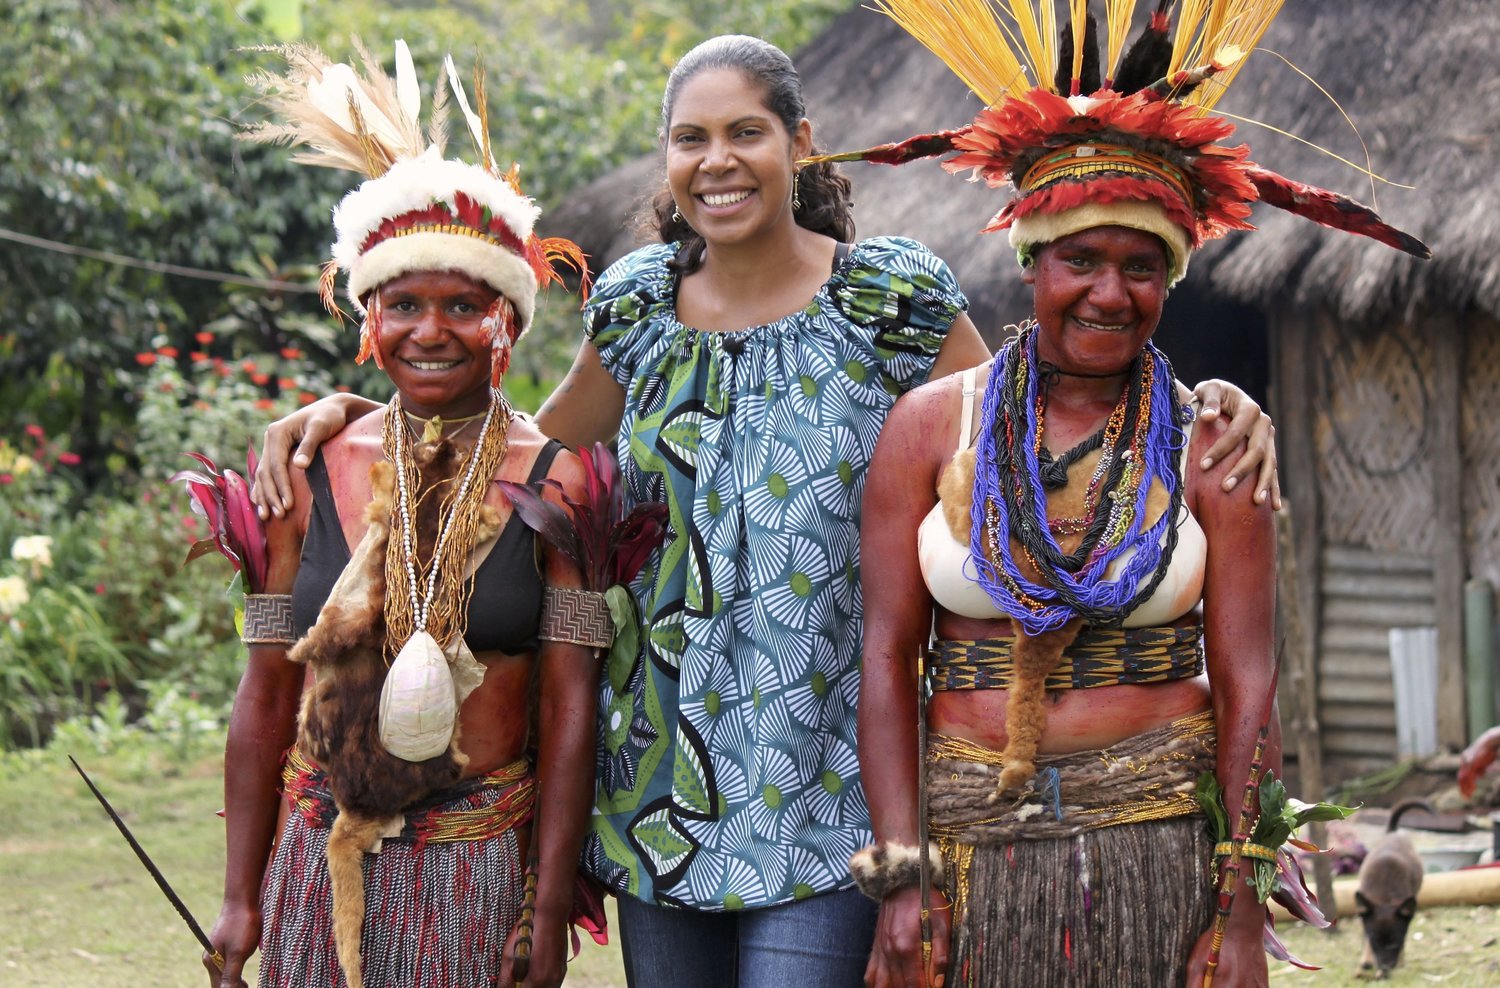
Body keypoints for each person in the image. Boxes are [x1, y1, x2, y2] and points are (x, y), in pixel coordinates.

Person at [248, 35, 1279, 988]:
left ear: (800, 143)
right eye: (690, 138)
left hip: (826, 793)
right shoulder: (640, 307)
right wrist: (357, 414)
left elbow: (1024, 419)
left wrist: (1204, 408)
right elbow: (522, 458)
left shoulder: (888, 303)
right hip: (655, 794)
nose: (718, 160)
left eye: (746, 131)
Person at [842, 3, 1430, 987]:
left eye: (1142, 266)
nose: (1110, 293)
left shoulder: (1213, 445)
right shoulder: (930, 428)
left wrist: (1239, 907)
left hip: (1160, 846)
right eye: (1082, 259)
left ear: (1171, 279)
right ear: (1032, 261)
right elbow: (887, 656)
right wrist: (903, 877)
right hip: (972, 851)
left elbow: (1250, 684)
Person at [204, 44, 600, 988]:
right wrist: (239, 894)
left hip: (479, 869)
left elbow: (569, 704)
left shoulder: (558, 483)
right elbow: (263, 696)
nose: (431, 331)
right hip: (318, 861)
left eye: (463, 305)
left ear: (505, 323)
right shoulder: (303, 471)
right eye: (406, 305)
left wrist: (546, 908)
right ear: (368, 319)